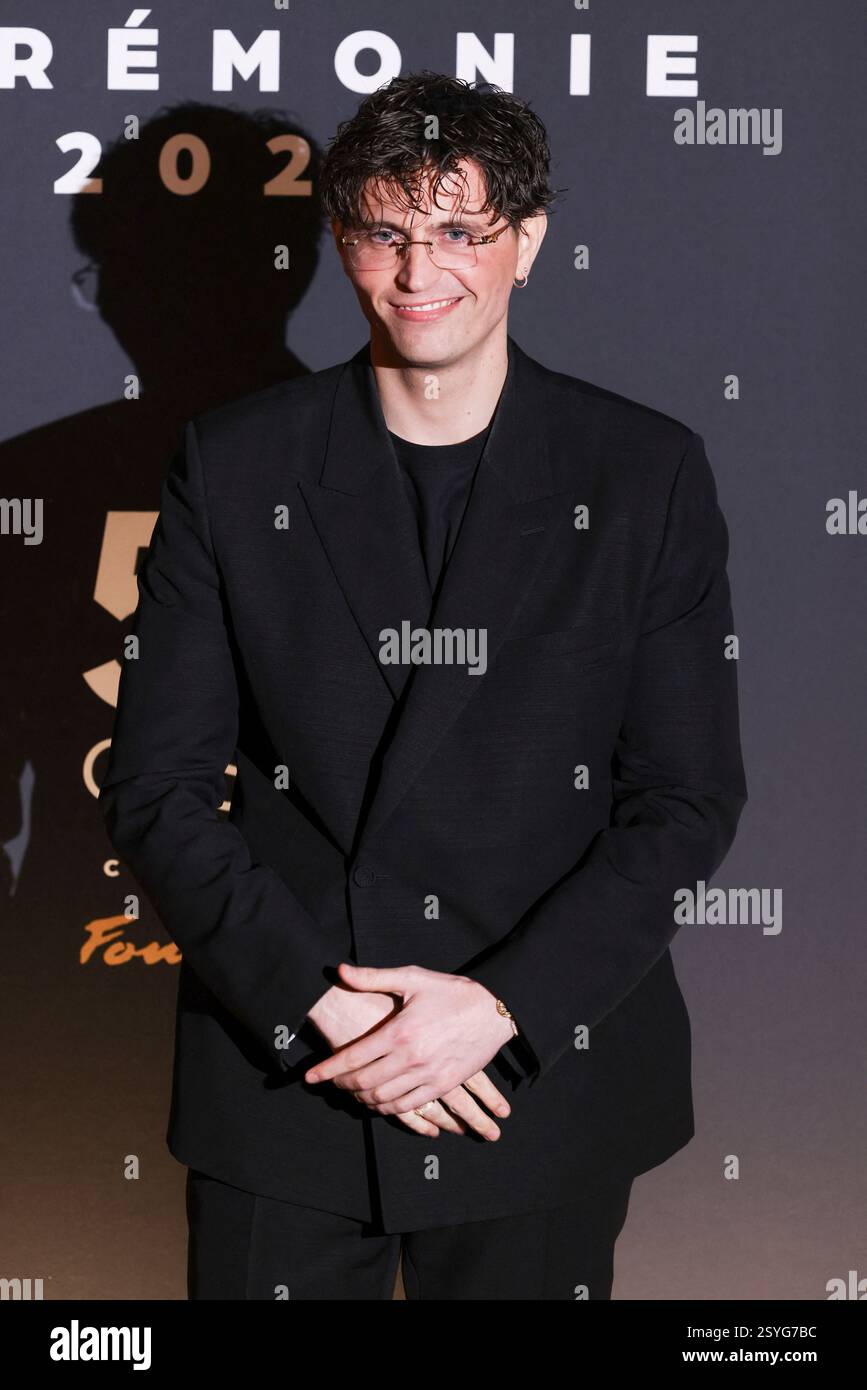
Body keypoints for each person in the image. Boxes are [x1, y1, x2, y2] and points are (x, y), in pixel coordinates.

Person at [99, 72, 748, 1300]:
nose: (419, 271)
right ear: (339, 243)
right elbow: (157, 794)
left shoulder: (642, 473)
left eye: (459, 230)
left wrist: (499, 1007)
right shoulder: (234, 467)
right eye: (387, 232)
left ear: (528, 242)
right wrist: (326, 1013)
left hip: (531, 1081)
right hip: (286, 1079)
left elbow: (685, 798)